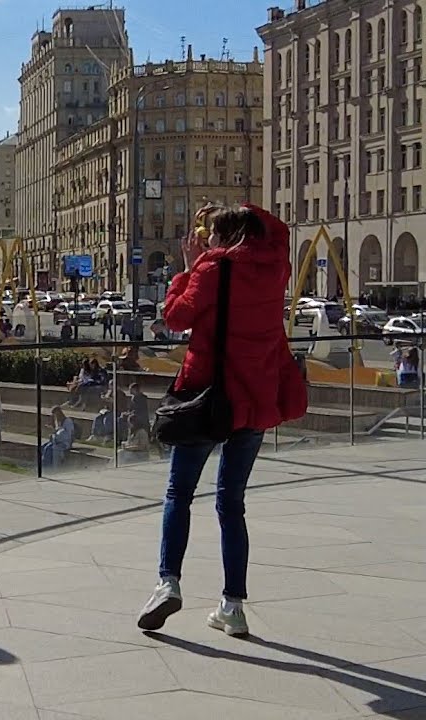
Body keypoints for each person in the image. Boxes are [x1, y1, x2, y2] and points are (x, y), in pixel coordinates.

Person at [137, 204, 307, 637]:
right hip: (254, 401)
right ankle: (233, 606)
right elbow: (278, 228)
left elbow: (175, 318)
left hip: (209, 399)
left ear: (226, 238)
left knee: (179, 493)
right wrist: (235, 214)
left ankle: (167, 583)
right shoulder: (276, 269)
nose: (206, 240)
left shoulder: (213, 269)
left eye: (212, 233)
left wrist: (189, 268)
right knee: (231, 504)